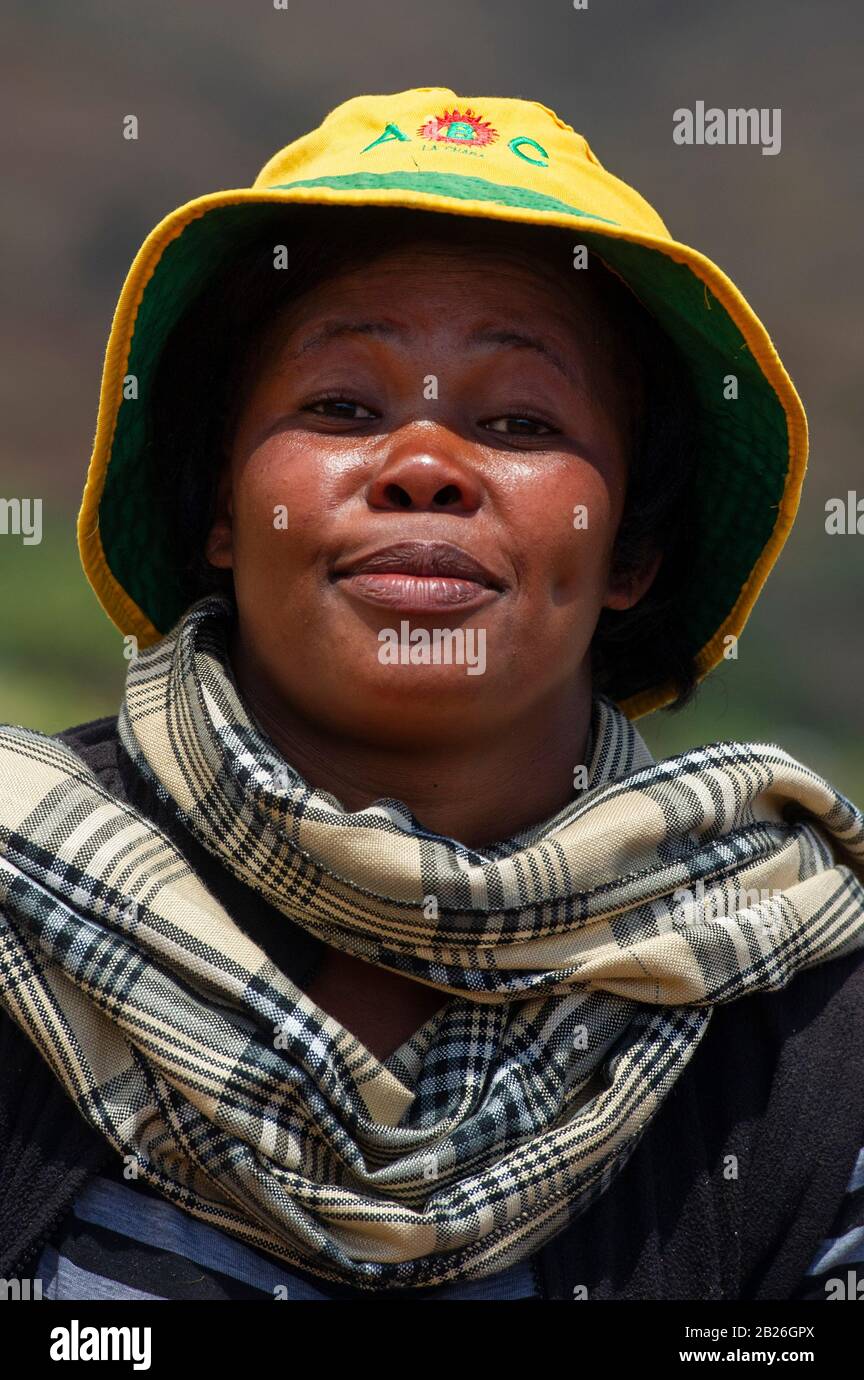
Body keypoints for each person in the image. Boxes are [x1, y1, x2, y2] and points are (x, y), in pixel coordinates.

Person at [1, 87, 863, 1302]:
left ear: (631, 553)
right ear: (219, 510)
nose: (422, 467)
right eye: (343, 406)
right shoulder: (20, 906)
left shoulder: (808, 1028)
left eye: (518, 420)